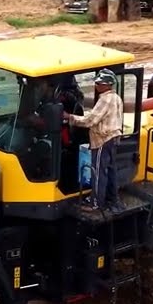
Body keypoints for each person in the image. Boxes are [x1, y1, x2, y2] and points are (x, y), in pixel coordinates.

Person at [66, 69, 123, 210]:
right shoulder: (116, 98)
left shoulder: (104, 99)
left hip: (103, 140)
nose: (97, 85)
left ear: (107, 84)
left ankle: (95, 202)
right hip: (114, 138)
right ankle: (113, 198)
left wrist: (69, 117)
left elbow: (90, 120)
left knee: (97, 171)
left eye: (99, 83)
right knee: (110, 170)